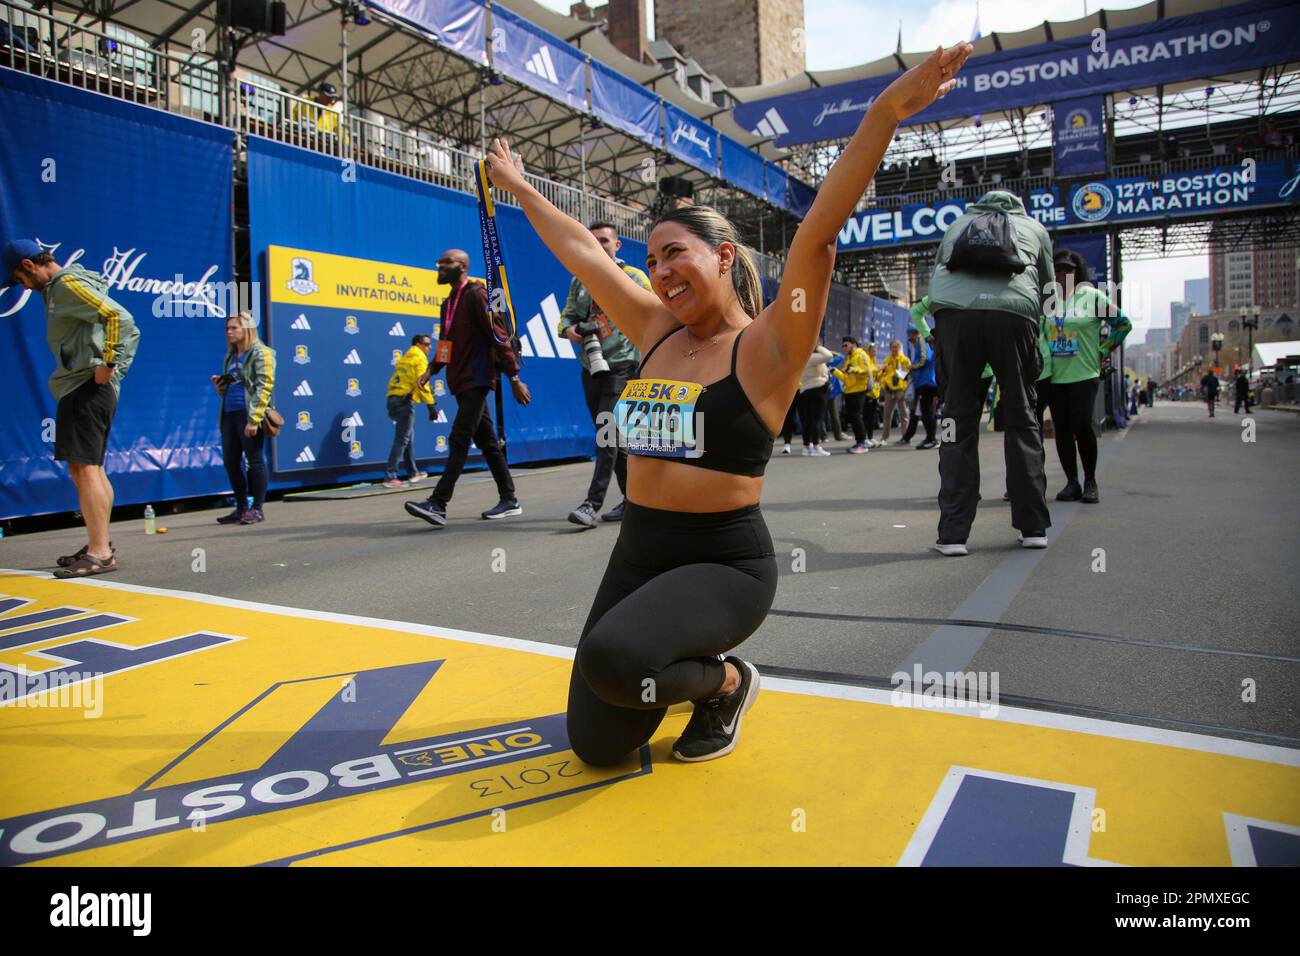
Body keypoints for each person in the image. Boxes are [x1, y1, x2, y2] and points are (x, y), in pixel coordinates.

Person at [480, 41, 972, 765]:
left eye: (674, 253)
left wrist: (886, 112)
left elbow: (819, 234)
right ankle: (682, 674)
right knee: (597, 742)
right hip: (639, 551)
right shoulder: (651, 329)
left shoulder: (769, 349)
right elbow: (585, 252)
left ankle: (726, 683)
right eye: (651, 260)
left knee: (617, 660)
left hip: (724, 563)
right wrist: (520, 188)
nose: (660, 271)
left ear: (721, 256)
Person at [928, 190, 1055, 554]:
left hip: (954, 315)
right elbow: (1048, 292)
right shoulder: (1034, 228)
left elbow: (940, 275)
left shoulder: (957, 225)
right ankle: (1033, 528)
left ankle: (953, 535)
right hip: (1015, 315)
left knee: (957, 422)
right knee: (1022, 417)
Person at [4, 239, 140, 576]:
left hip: (85, 388)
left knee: (86, 468)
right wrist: (112, 370)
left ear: (27, 265)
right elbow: (120, 325)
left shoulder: (66, 286)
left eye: (17, 279)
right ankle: (101, 542)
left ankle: (99, 553)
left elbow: (119, 317)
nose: (21, 286)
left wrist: (109, 364)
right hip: (85, 387)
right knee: (89, 468)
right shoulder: (63, 288)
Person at [404, 249, 532, 527]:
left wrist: (514, 377)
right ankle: (509, 499)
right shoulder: (448, 303)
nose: (439, 266)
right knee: (487, 442)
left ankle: (438, 503)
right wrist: (431, 369)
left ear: (462, 267)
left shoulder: (477, 295)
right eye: (439, 262)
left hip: (478, 378)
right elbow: (447, 343)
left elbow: (498, 336)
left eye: (446, 262)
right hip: (460, 381)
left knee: (459, 438)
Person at [559, 221, 652, 528]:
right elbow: (566, 319)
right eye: (593, 241)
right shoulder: (580, 280)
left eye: (604, 241)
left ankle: (591, 504)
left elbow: (654, 311)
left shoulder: (634, 277)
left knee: (606, 433)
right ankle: (634, 501)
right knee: (614, 439)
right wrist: (572, 330)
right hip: (591, 365)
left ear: (617, 245)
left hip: (624, 366)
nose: (599, 246)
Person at [1046, 249, 1132, 504]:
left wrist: (1102, 351)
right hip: (1054, 375)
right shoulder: (1047, 300)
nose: (1063, 275)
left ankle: (1090, 482)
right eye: (1059, 270)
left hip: (1084, 373)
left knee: (1082, 427)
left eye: (1068, 270)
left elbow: (1124, 323)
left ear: (1078, 272)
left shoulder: (1092, 297)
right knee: (1061, 430)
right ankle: (1071, 482)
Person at [211, 312, 277, 524]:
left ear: (247, 329)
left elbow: (264, 386)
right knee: (231, 462)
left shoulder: (261, 353)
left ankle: (257, 509)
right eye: (227, 329)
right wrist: (219, 386)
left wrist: (254, 418)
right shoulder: (230, 356)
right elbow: (230, 389)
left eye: (234, 328)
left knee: (255, 461)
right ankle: (241, 507)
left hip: (248, 414)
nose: (229, 332)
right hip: (229, 414)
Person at [384, 333, 435, 487]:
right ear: (418, 344)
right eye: (426, 344)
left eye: (429, 344)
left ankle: (413, 473)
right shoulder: (419, 358)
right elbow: (422, 383)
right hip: (404, 401)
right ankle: (390, 476)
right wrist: (431, 407)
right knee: (402, 439)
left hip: (392, 399)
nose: (429, 347)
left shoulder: (405, 358)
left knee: (408, 438)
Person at [900, 326, 939, 448]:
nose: (908, 337)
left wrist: (911, 367)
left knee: (927, 412)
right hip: (923, 382)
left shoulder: (922, 341)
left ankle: (931, 439)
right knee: (921, 412)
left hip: (926, 383)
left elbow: (924, 360)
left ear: (916, 333)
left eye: (910, 334)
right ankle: (928, 438)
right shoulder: (920, 343)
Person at [833, 335, 872, 453]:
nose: (844, 348)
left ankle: (862, 443)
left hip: (859, 390)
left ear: (854, 344)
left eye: (846, 345)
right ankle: (859, 442)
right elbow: (846, 378)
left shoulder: (861, 355)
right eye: (842, 346)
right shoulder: (848, 358)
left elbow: (868, 371)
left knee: (856, 416)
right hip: (849, 391)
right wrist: (834, 371)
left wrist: (854, 370)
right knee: (853, 417)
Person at [798, 341, 835, 455]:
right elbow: (829, 355)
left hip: (805, 390)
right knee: (817, 419)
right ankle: (816, 446)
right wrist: (817, 346)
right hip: (818, 389)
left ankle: (807, 446)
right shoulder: (813, 357)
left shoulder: (802, 357)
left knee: (808, 420)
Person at [878, 339, 912, 443]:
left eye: (896, 347)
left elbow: (908, 375)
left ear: (900, 348)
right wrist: (884, 385)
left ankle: (905, 436)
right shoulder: (887, 360)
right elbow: (882, 374)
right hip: (889, 390)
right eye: (893, 347)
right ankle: (884, 437)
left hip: (900, 390)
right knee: (887, 414)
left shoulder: (905, 360)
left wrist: (904, 388)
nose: (894, 349)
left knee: (904, 414)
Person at [863, 342, 884, 445]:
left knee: (872, 418)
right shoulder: (865, 359)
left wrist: (882, 372)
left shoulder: (874, 360)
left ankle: (870, 437)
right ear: (868, 350)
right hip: (867, 393)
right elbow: (869, 371)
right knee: (866, 417)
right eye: (873, 350)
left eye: (876, 350)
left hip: (875, 392)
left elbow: (876, 377)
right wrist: (878, 369)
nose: (875, 352)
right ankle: (864, 438)